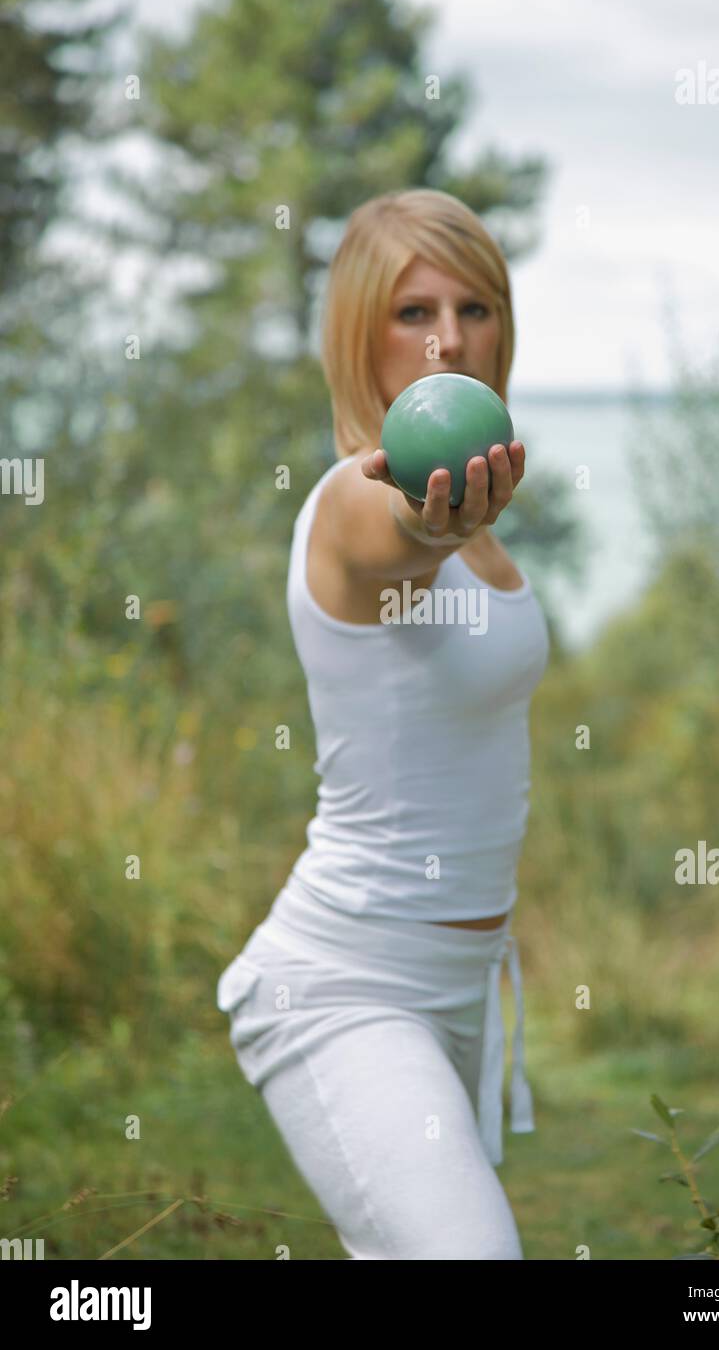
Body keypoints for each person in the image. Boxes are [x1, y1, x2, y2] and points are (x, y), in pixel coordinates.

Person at [216, 188, 550, 1260]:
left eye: (474, 308)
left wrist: (461, 524)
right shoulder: (348, 508)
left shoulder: (492, 541)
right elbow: (393, 536)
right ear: (359, 334)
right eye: (412, 312)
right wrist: (425, 517)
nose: (448, 338)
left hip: (461, 991)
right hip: (341, 989)